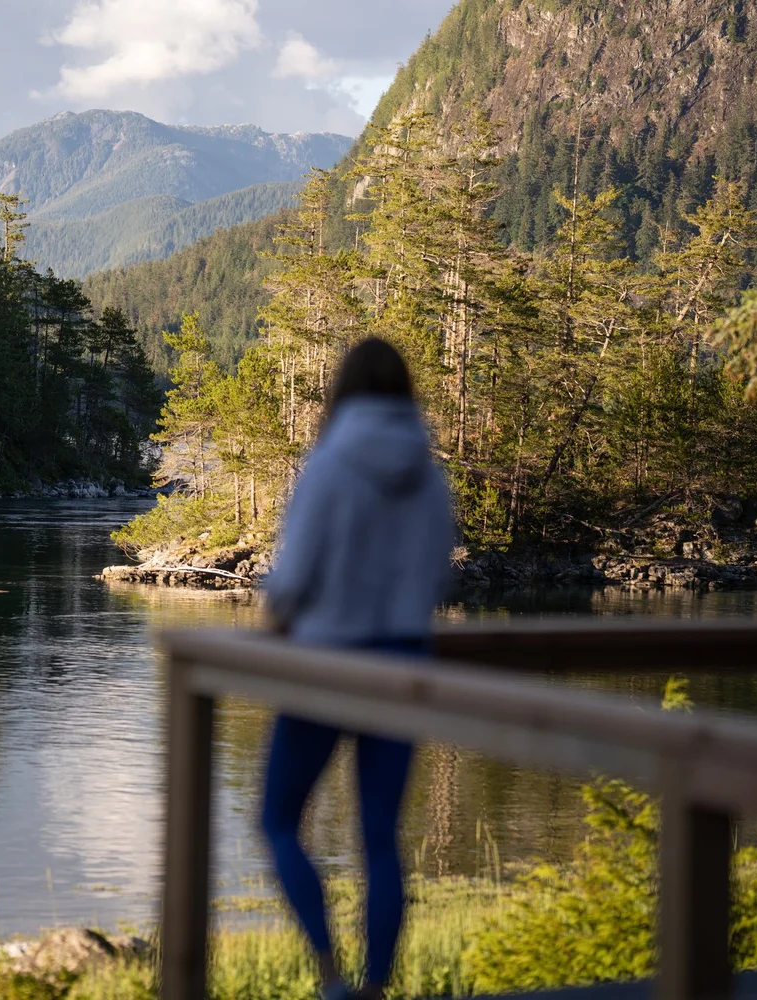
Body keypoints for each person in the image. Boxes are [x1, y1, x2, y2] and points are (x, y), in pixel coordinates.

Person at [260, 337, 455, 1000]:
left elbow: (292, 578)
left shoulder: (329, 464)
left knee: (278, 820)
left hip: (326, 660)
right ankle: (375, 988)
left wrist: (279, 611)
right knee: (380, 837)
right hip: (402, 658)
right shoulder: (428, 473)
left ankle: (330, 973)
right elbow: (438, 571)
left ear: (342, 389)